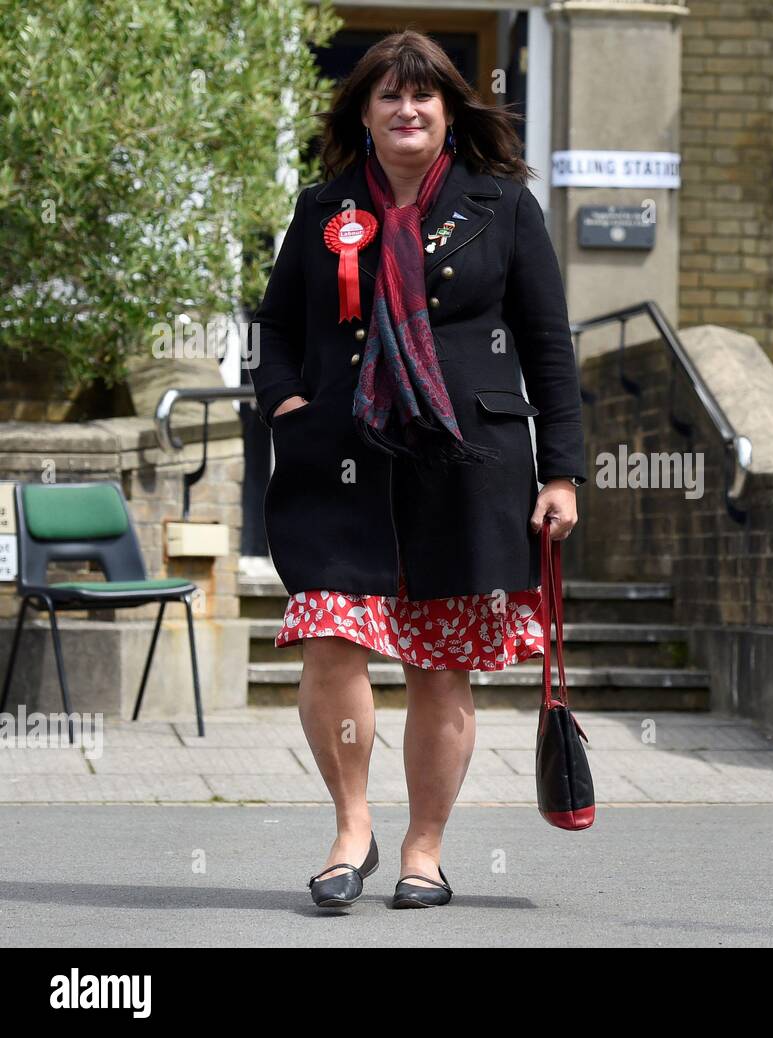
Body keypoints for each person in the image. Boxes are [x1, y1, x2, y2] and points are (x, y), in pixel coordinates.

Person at [247, 30, 586, 909]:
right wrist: (288, 403)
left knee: (441, 668)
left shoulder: (502, 207)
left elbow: (548, 346)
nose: (407, 109)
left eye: (424, 96)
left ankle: (423, 851)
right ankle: (351, 826)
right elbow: (277, 325)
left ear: (448, 111)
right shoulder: (323, 208)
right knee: (330, 636)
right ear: (364, 112)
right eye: (389, 96)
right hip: (340, 462)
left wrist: (563, 473)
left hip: (465, 462)